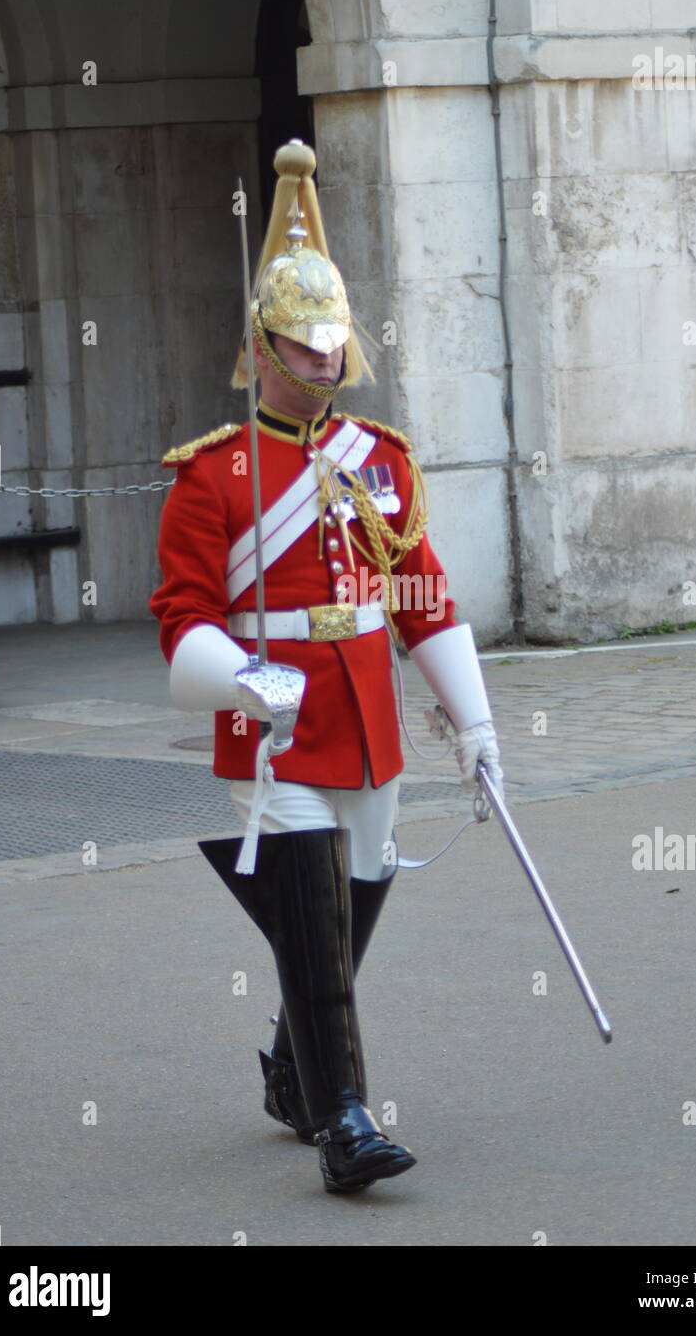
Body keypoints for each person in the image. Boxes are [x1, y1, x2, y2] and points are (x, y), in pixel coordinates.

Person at [149, 139, 504, 1194]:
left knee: (337, 922)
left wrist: (474, 722)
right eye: (304, 347)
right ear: (260, 348)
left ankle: (295, 1072)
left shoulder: (381, 461)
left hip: (374, 728)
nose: (325, 360)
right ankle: (347, 1120)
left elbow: (420, 595)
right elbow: (181, 624)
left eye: (333, 344)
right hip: (277, 728)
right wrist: (247, 682)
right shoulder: (210, 476)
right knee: (312, 907)